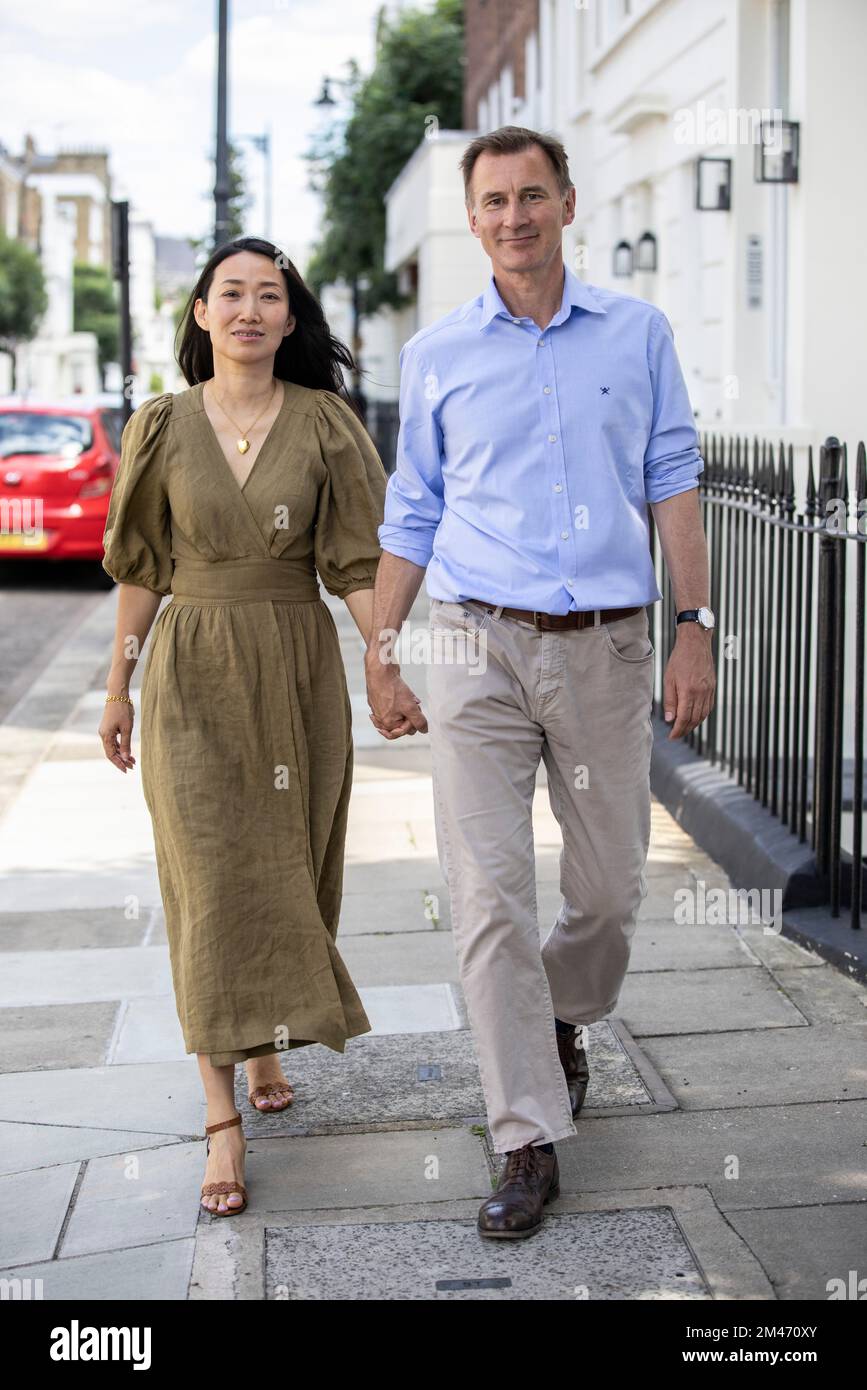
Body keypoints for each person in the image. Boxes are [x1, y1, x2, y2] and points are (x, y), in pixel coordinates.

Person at [365, 127, 716, 1239]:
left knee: (610, 890)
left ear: (567, 202)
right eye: (492, 202)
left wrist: (695, 627)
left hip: (608, 646)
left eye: (531, 196)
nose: (513, 217)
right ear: (470, 219)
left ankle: (564, 1010)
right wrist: (384, 647)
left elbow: (673, 486)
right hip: (475, 642)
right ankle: (524, 1131)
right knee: (486, 893)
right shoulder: (437, 355)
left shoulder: (638, 332)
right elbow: (411, 512)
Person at [98, 236, 388, 1217]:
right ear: (200, 312)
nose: (251, 310)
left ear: (292, 319)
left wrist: (385, 665)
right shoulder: (162, 425)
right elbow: (141, 568)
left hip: (299, 665)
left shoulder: (326, 423)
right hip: (191, 670)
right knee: (211, 875)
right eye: (232, 293)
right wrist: (115, 688)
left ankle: (265, 1031)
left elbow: (355, 565)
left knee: (292, 863)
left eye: (271, 296)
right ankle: (221, 1114)